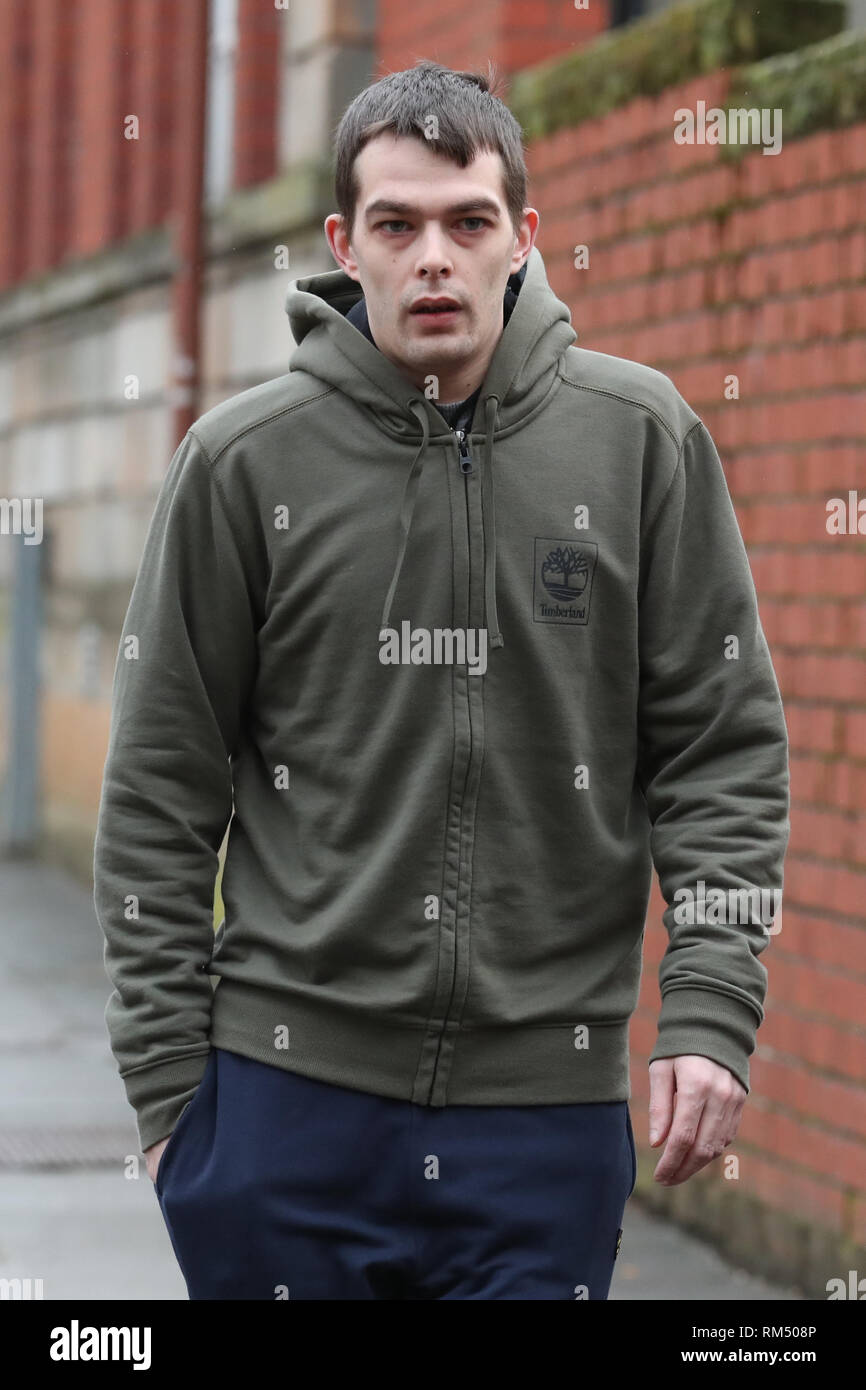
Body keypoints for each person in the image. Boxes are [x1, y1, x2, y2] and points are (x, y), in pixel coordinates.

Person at [93, 59, 790, 1300]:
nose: (433, 259)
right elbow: (158, 790)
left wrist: (710, 1006)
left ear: (521, 238)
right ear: (341, 245)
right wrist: (168, 1103)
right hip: (282, 1111)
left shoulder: (638, 440)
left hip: (541, 1122)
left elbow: (718, 748)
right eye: (396, 225)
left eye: (467, 223)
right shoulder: (244, 464)